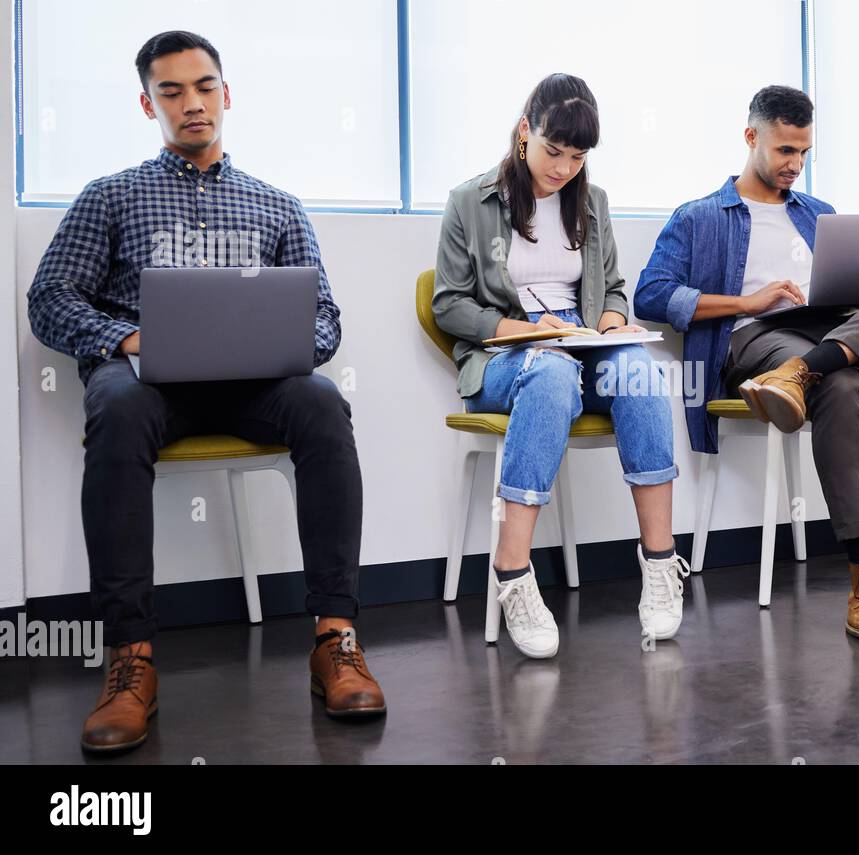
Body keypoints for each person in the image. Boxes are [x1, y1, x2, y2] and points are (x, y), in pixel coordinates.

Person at [26, 31, 386, 753]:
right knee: (117, 406)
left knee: (320, 402)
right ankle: (131, 657)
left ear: (227, 93)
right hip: (150, 383)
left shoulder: (278, 206)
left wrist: (284, 348)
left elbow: (326, 318)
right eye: (172, 91)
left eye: (204, 87)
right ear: (147, 103)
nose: (192, 104)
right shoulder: (111, 196)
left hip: (252, 385)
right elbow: (50, 297)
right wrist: (127, 340)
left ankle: (335, 639)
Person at [634, 85, 859, 640]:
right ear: (751, 137)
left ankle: (810, 370)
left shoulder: (819, 214)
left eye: (804, 152)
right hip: (756, 339)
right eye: (784, 151)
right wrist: (747, 303)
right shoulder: (700, 216)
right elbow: (651, 296)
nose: (795, 165)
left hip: (832, 334)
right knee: (843, 384)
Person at [433, 73, 685, 659]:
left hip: (584, 346)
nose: (564, 167)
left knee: (641, 372)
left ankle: (659, 562)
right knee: (547, 371)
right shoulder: (470, 202)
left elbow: (615, 288)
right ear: (525, 131)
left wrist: (614, 323)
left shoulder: (590, 203)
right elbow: (449, 303)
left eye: (577, 157)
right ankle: (513, 573)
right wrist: (526, 333)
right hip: (507, 358)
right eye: (553, 150)